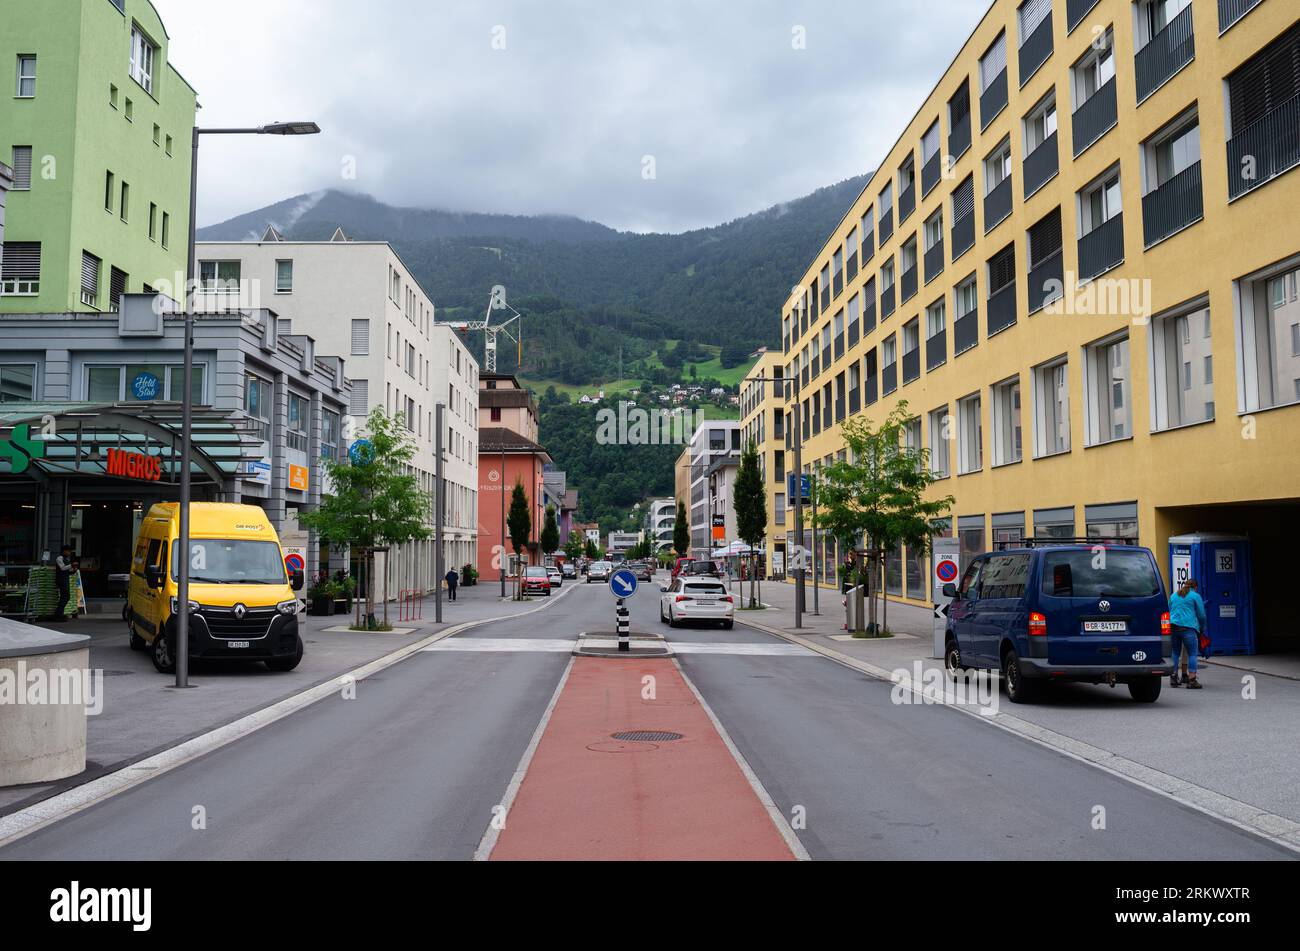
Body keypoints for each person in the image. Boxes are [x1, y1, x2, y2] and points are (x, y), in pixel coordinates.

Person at [1168, 578, 1207, 689]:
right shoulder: (1195, 596)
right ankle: (1192, 680)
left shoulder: (1174, 595)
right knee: (1192, 654)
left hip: (1174, 627)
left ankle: (1174, 678)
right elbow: (1201, 615)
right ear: (1195, 587)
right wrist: (1202, 628)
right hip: (1188, 628)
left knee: (1175, 653)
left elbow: (1169, 609)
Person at [52, 544, 76, 622]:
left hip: (65, 580)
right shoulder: (59, 558)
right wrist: (71, 565)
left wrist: (73, 571)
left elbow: (67, 571)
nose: (69, 553)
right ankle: (58, 614)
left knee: (65, 597)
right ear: (64, 551)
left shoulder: (66, 559)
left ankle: (59, 614)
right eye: (68, 551)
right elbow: (62, 568)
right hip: (61, 580)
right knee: (65, 597)